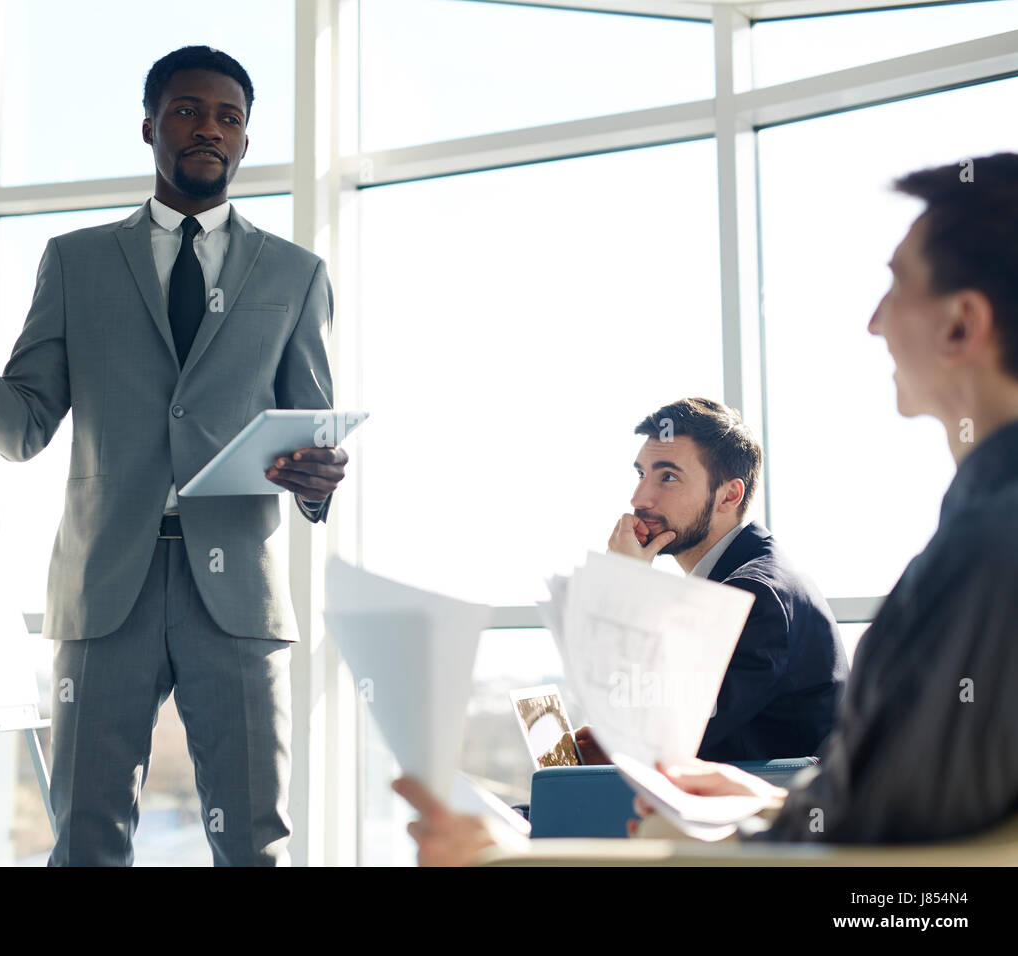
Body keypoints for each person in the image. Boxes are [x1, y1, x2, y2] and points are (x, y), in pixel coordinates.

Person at [397, 152, 1018, 864]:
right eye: (641, 475)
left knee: (506, 822)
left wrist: (505, 857)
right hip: (776, 812)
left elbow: (887, 862)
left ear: (962, 326)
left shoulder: (966, 552)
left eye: (897, 285)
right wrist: (773, 802)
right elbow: (904, 803)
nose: (875, 322)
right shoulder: (981, 528)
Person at [0, 45, 348, 866]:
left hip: (237, 593)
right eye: (187, 110)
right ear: (149, 127)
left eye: (229, 117)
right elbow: (20, 421)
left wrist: (319, 478)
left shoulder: (296, 274)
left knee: (254, 844)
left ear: (245, 141)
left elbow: (310, 429)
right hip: (107, 590)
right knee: (88, 841)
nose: (209, 127)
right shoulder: (77, 262)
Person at [601, 397, 847, 763]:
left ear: (729, 495)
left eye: (668, 477)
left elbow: (665, 738)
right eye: (641, 474)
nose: (640, 498)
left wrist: (627, 587)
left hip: (766, 814)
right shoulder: (743, 577)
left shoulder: (754, 594)